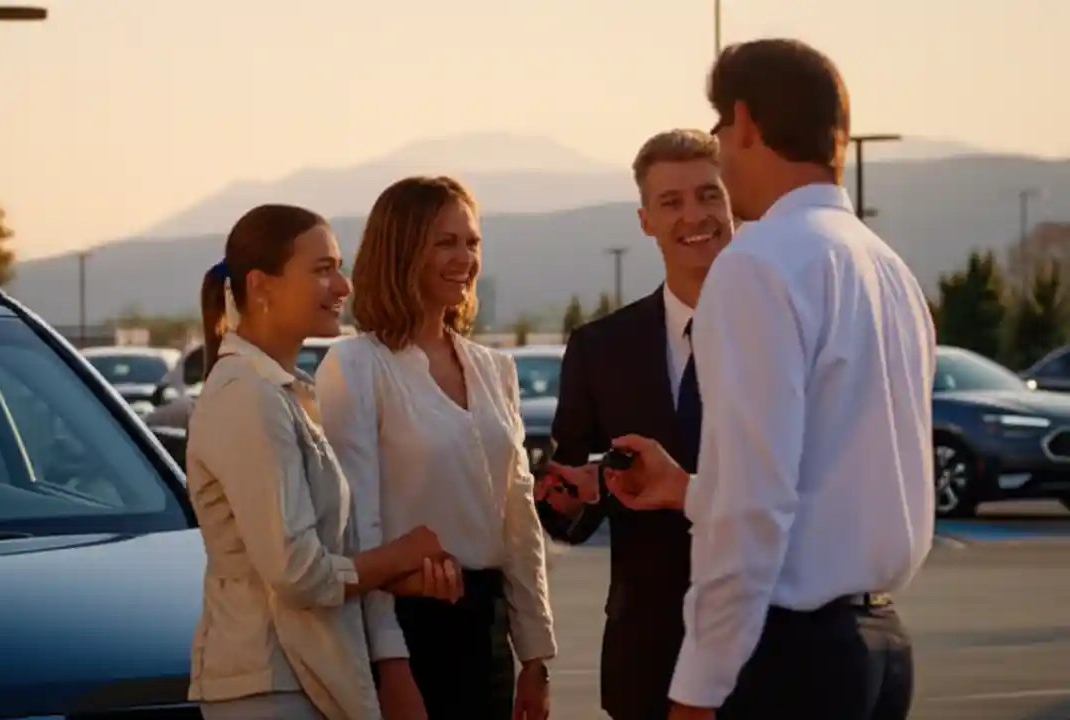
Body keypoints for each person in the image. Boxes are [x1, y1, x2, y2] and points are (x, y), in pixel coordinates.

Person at [567, 39, 936, 720]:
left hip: (789, 659)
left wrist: (696, 691)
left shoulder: (760, 264)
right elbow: (834, 485)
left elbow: (753, 509)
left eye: (718, 128)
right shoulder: (887, 268)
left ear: (744, 123)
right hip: (881, 650)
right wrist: (685, 490)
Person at [186, 203, 468, 720]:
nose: (343, 286)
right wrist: (401, 554)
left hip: (308, 677)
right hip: (271, 684)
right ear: (261, 286)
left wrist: (397, 578)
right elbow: (297, 572)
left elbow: (318, 559)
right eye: (322, 270)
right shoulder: (246, 396)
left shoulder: (285, 391)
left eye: (338, 267)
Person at [315, 176, 557, 720]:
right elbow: (361, 527)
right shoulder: (355, 367)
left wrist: (535, 658)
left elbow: (518, 520)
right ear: (401, 250)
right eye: (444, 242)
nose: (464, 258)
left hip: (488, 633)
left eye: (471, 242)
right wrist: (392, 667)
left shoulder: (496, 369)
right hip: (406, 628)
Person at [536, 128, 733, 720]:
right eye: (671, 202)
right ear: (645, 219)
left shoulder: (781, 332)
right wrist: (565, 501)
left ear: (733, 204)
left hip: (770, 650)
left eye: (708, 195)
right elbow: (568, 499)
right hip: (648, 656)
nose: (693, 215)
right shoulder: (600, 348)